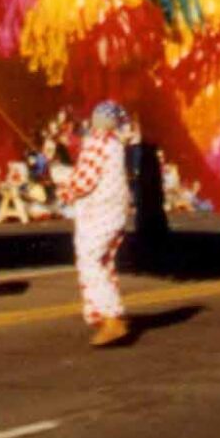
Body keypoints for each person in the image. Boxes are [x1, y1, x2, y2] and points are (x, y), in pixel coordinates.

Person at [67, 100, 133, 347]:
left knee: (91, 261)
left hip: (99, 213)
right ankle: (105, 314)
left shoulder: (98, 143)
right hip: (113, 213)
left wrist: (66, 188)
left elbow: (85, 180)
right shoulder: (115, 144)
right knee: (103, 262)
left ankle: (111, 317)